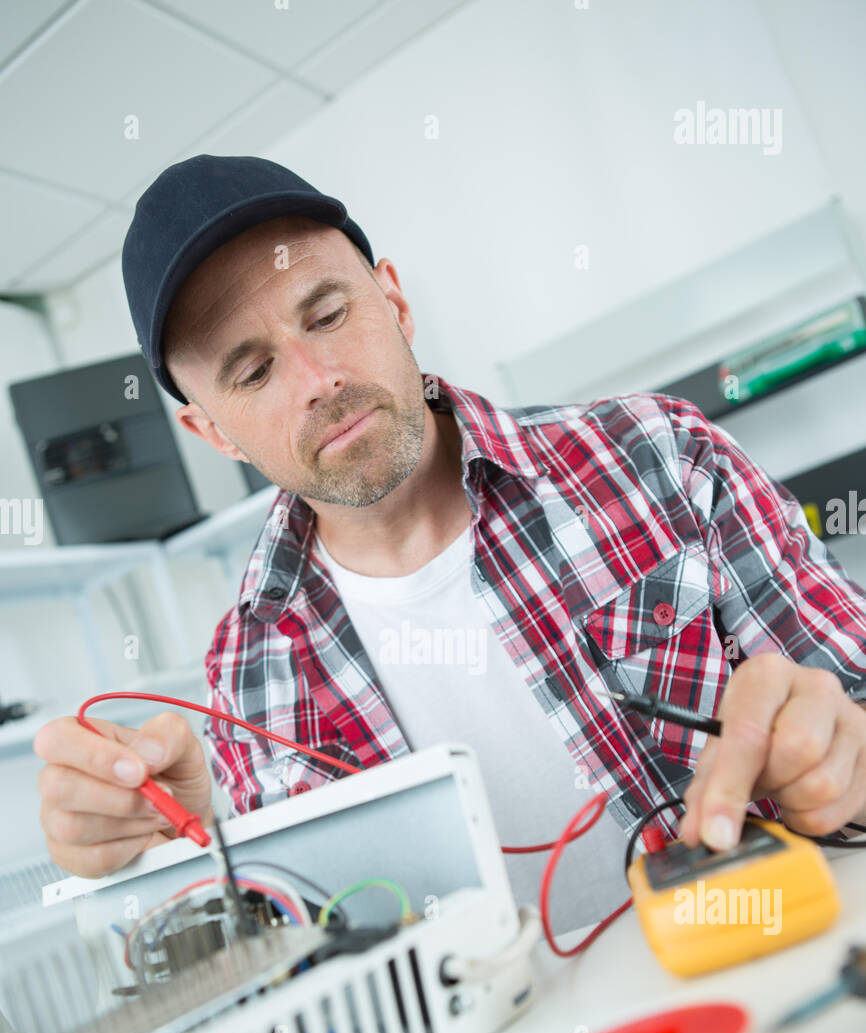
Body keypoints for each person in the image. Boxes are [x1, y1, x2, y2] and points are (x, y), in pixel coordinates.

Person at [33, 156, 866, 932]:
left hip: (773, 984)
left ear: (393, 301)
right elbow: (314, 961)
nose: (318, 379)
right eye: (253, 374)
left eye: (327, 315)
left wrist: (845, 757)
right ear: (211, 430)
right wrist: (193, 846)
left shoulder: (658, 456)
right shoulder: (246, 669)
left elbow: (852, 716)